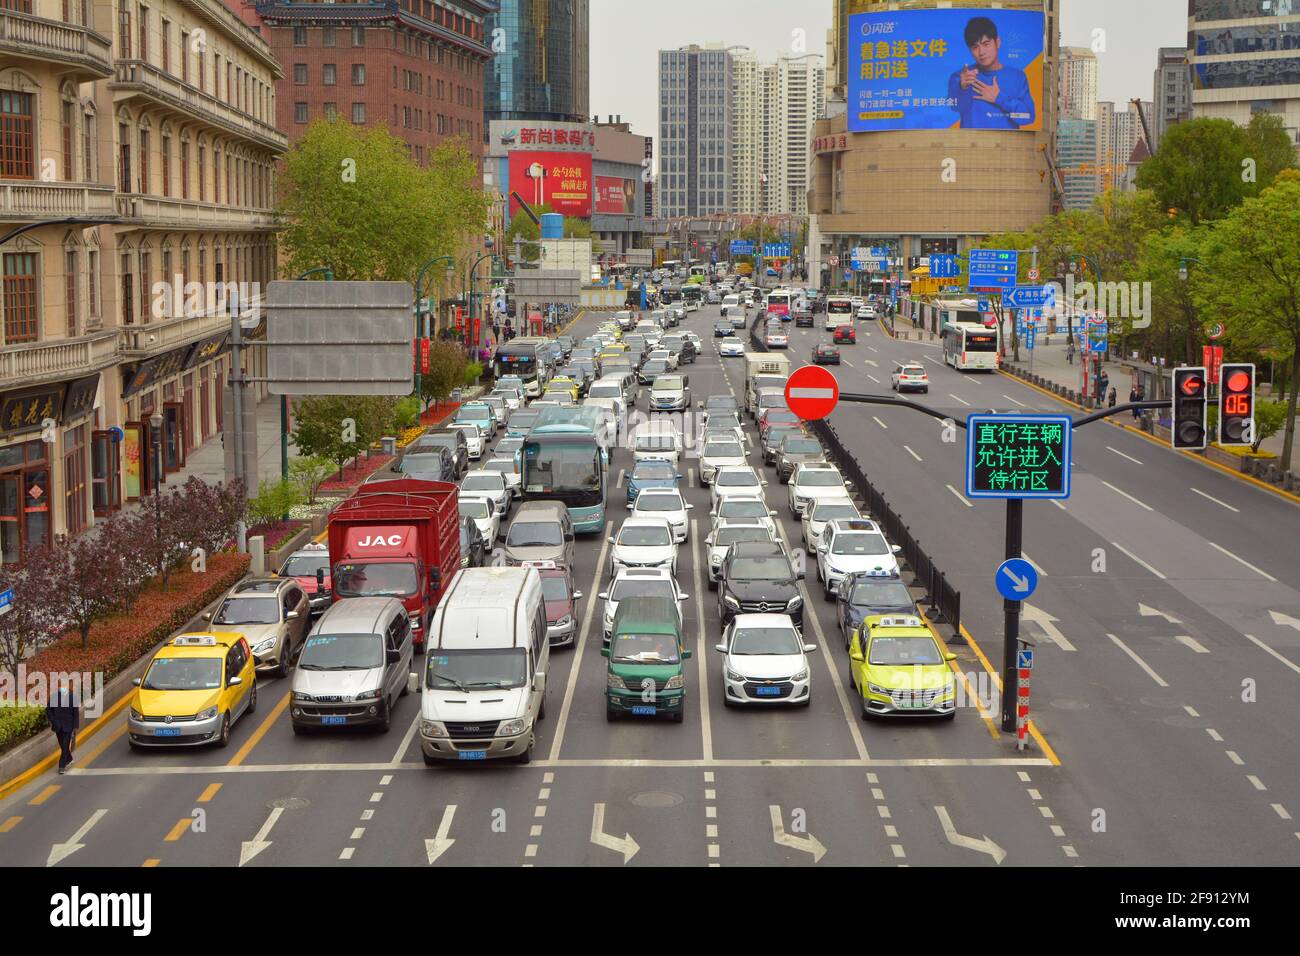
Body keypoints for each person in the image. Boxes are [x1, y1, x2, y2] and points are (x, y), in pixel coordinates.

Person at [948, 16, 1038, 130]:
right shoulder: (961, 77)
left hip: (1006, 145)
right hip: (970, 145)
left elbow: (1028, 117)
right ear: (970, 50)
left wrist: (999, 98)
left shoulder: (1017, 77)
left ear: (998, 42)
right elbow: (956, 108)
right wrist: (962, 89)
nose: (981, 52)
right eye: (975, 47)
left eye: (986, 44)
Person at [46, 683, 79, 774]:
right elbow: (48, 710)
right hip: (57, 727)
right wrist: (53, 721)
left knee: (64, 745)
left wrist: (75, 726)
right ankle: (70, 759)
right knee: (62, 745)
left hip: (69, 726)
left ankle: (61, 766)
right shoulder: (54, 697)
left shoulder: (73, 697)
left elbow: (75, 713)